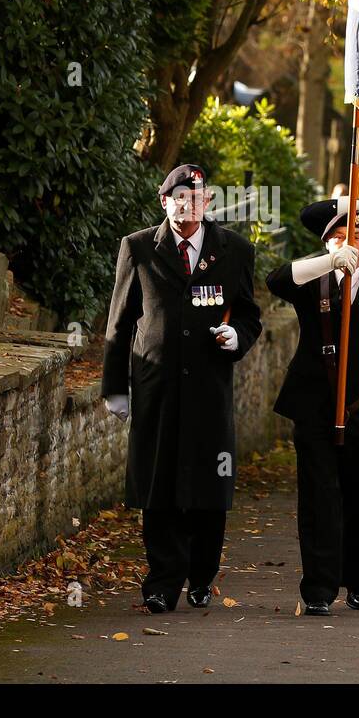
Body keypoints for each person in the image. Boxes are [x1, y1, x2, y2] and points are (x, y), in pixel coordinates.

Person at [102, 164, 263, 614]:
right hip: (158, 388)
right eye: (177, 199)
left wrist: (238, 338)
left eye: (193, 200)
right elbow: (119, 323)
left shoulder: (234, 250)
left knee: (211, 491)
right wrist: (115, 387)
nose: (185, 208)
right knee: (160, 487)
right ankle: (162, 582)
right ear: (164, 201)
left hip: (210, 390)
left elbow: (249, 315)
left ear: (207, 203)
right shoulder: (137, 248)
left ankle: (202, 576)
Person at [267, 206, 359, 615]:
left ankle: (357, 579)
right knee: (318, 497)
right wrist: (328, 262)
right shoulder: (314, 282)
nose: (350, 243)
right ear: (327, 243)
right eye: (339, 237)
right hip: (314, 405)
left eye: (358, 237)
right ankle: (318, 587)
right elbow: (275, 280)